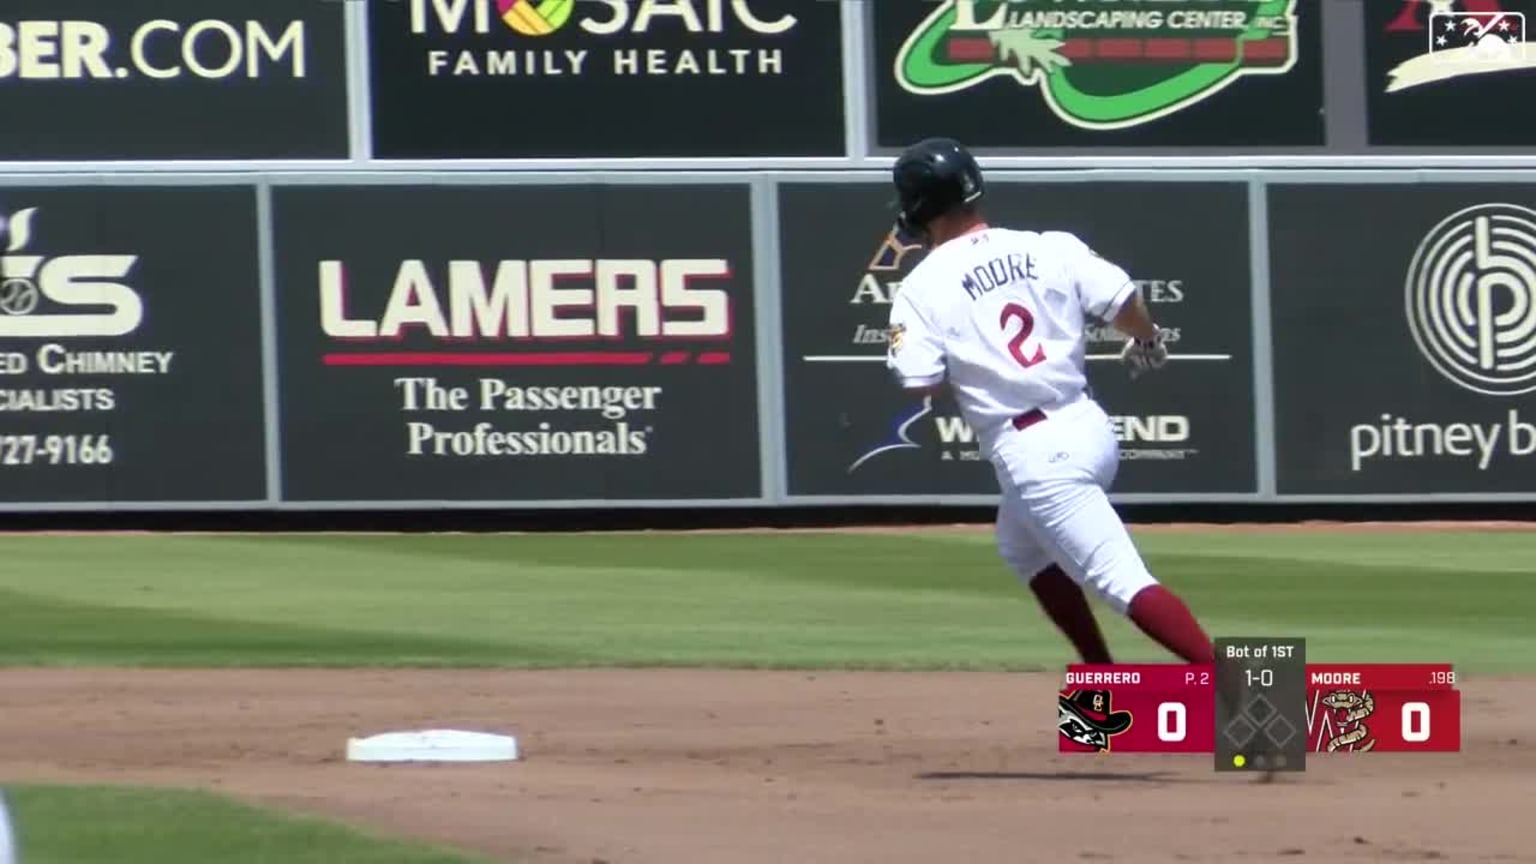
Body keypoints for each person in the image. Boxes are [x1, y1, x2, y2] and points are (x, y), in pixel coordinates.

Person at [883, 137, 1214, 666]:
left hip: (1036, 452)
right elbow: (1121, 297)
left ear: (918, 206)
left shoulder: (921, 287)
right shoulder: (1047, 245)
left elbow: (919, 381)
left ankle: (1257, 702)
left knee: (1121, 581)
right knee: (1022, 548)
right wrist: (1147, 340)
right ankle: (1100, 688)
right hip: (1087, 425)